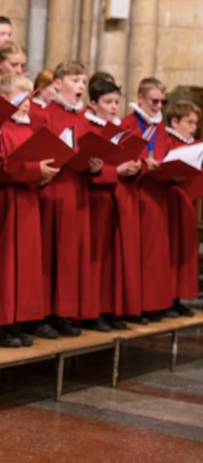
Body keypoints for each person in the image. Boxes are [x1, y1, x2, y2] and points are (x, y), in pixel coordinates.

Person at [0, 74, 54, 348]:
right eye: (20, 99)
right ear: (4, 99)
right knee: (3, 264)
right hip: (3, 202)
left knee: (23, 264)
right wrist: (35, 170)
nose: (27, 104)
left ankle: (15, 321)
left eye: (29, 99)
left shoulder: (27, 129)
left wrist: (45, 174)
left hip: (26, 201)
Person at [35, 61, 102, 336]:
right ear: (58, 83)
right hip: (51, 190)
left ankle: (60, 312)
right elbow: (37, 151)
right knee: (47, 254)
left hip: (76, 190)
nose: (81, 87)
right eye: (76, 81)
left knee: (68, 254)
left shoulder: (82, 118)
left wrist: (94, 165)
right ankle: (39, 314)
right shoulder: (44, 114)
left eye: (84, 82)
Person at [83, 77, 141, 330]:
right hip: (94, 200)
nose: (113, 107)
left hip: (116, 198)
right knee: (95, 259)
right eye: (108, 102)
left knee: (111, 259)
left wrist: (136, 167)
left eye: (116, 102)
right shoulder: (88, 127)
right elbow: (86, 168)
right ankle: (92, 311)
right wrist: (114, 171)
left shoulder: (120, 130)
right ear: (93, 103)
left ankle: (109, 308)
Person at [119, 78, 178, 321]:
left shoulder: (161, 127)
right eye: (155, 101)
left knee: (154, 254)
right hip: (134, 192)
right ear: (141, 98)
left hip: (156, 193)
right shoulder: (128, 124)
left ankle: (154, 303)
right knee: (135, 253)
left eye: (163, 101)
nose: (158, 106)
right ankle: (134, 306)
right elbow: (121, 156)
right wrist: (144, 163)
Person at [165, 99, 201, 317]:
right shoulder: (168, 141)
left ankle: (177, 298)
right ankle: (165, 298)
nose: (194, 128)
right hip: (168, 203)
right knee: (168, 251)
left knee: (184, 252)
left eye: (196, 124)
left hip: (187, 202)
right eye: (190, 122)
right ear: (175, 121)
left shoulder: (193, 146)